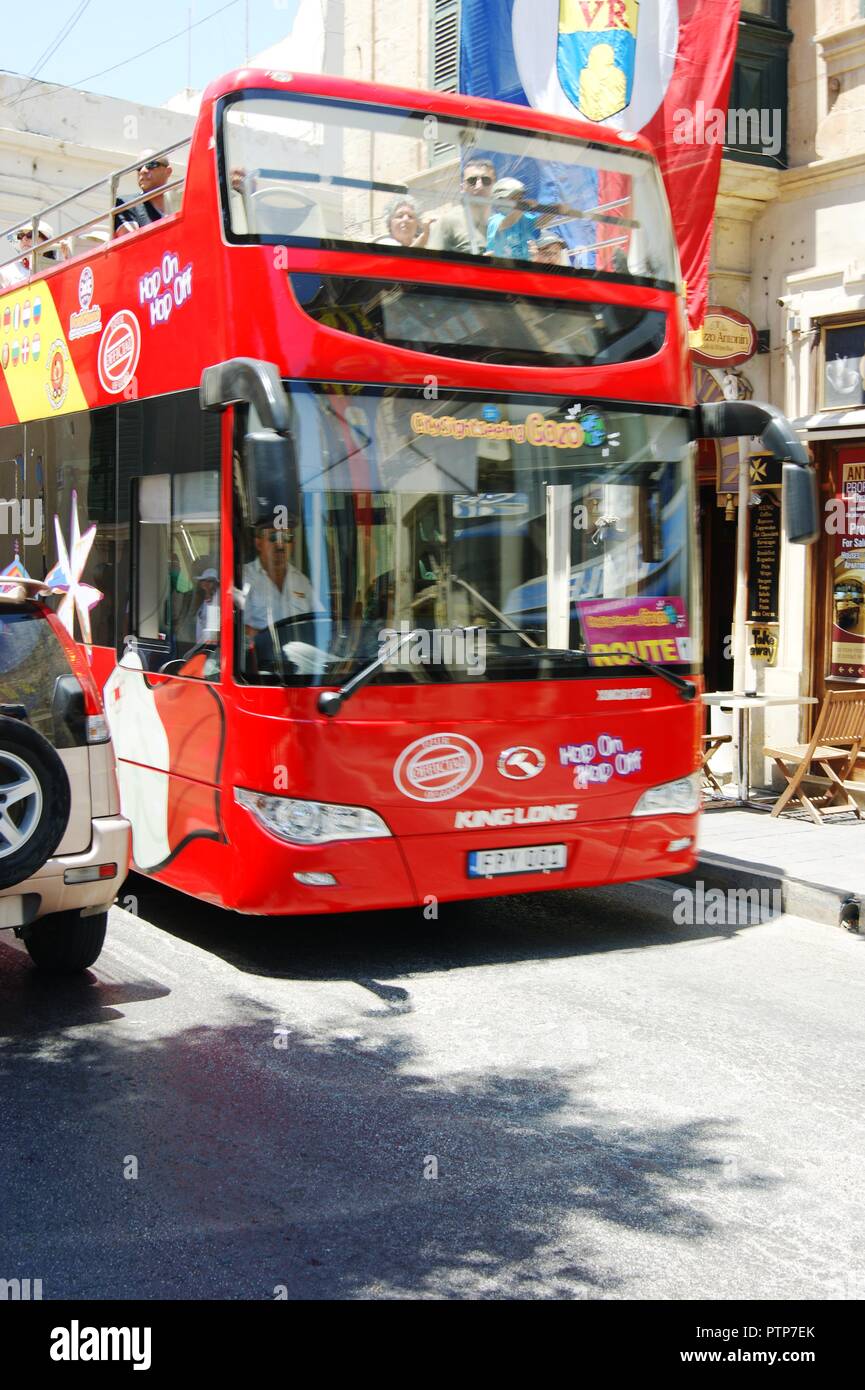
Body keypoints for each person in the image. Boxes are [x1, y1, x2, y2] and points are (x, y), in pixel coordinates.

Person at [242, 519, 321, 638]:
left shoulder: (302, 582)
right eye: (273, 537)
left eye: (287, 538)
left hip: (298, 654)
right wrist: (263, 638)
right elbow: (232, 626)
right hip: (258, 655)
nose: (280, 544)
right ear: (258, 544)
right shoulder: (243, 577)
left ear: (293, 544)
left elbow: (320, 621)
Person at [427, 157, 497, 255]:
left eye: (485, 180)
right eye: (472, 181)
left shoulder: (502, 223)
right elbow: (432, 266)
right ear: (462, 187)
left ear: (494, 185)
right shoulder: (448, 222)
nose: (479, 186)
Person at [486, 178, 557, 262]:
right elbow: (506, 224)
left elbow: (540, 222)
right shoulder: (496, 220)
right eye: (514, 198)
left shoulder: (523, 218)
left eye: (520, 198)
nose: (519, 201)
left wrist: (555, 210)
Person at [114, 151, 177, 235]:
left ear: (168, 171)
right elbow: (131, 242)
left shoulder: (182, 205)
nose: (143, 171)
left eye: (151, 164)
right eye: (139, 167)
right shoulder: (126, 204)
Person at [0, 220, 66, 287]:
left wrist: (67, 258)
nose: (24, 239)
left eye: (30, 234)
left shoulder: (59, 266)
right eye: (20, 236)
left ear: (45, 240)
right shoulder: (8, 271)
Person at [194, 568, 220, 645]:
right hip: (200, 645)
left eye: (210, 581)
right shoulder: (203, 600)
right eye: (204, 581)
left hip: (208, 647)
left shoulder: (216, 601)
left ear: (216, 584)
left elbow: (212, 630)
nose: (205, 584)